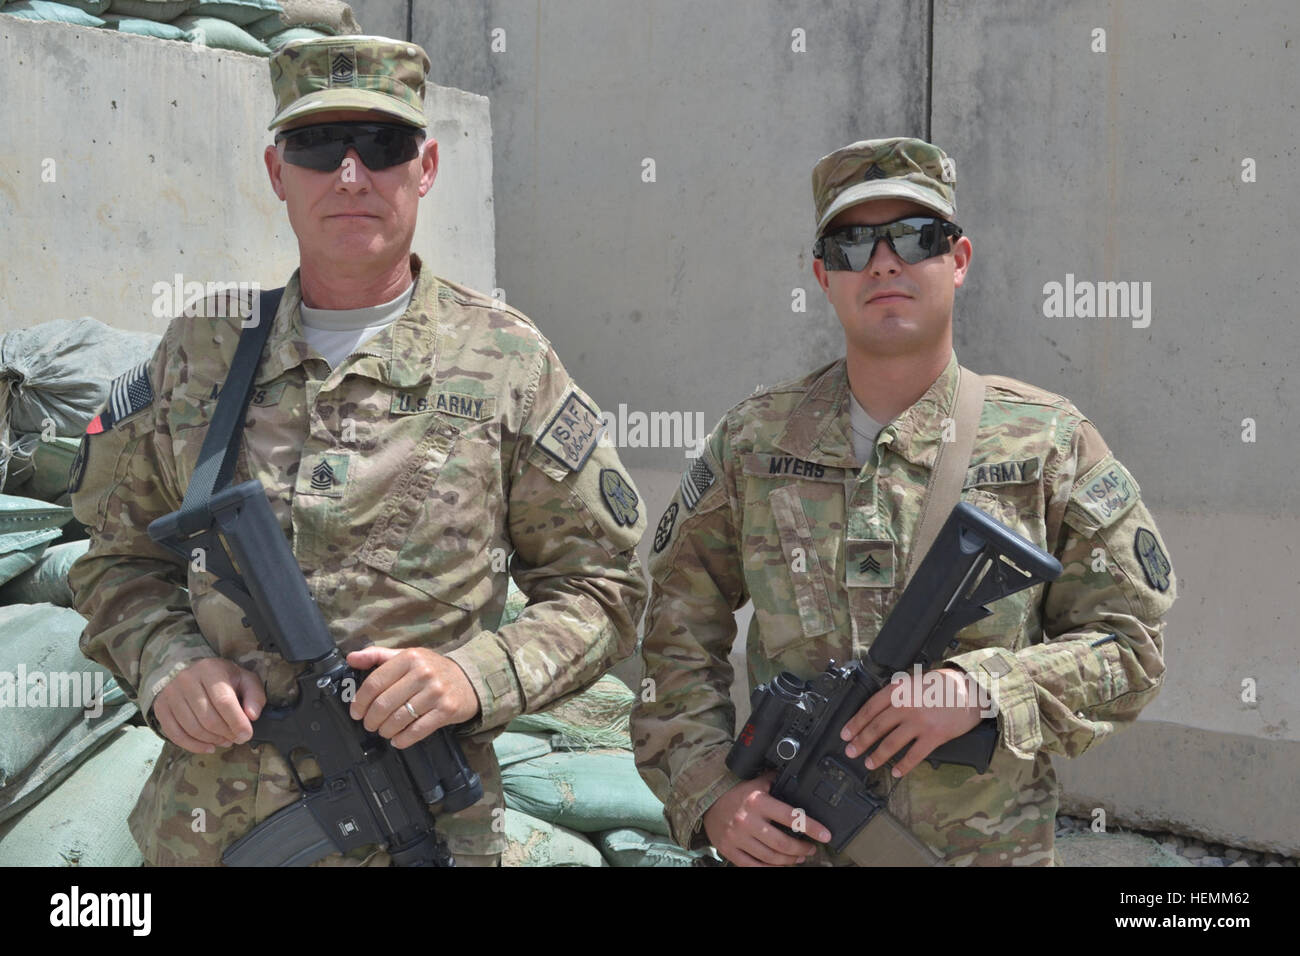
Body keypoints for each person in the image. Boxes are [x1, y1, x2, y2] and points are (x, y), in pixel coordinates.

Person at [69, 36, 647, 867]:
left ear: (427, 164)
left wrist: (478, 675)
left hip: (420, 830)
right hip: (210, 833)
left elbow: (606, 586)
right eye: (315, 147)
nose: (350, 175)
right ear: (277, 173)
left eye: (381, 145)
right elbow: (114, 558)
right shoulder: (202, 349)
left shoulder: (507, 363)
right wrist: (170, 665)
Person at [631, 137, 1175, 867]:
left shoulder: (1050, 443)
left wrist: (983, 688)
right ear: (824, 276)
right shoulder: (752, 443)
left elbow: (1131, 648)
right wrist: (712, 795)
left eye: (917, 237)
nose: (883, 262)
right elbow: (675, 637)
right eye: (852, 245)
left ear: (959, 259)